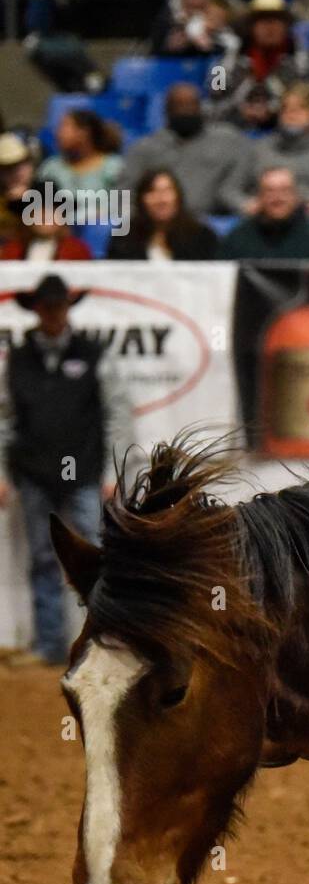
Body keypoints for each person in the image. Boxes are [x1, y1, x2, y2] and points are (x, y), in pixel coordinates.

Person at [0, 275, 136, 667]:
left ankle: (101, 641)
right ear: (37, 310)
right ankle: (50, 644)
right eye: (47, 307)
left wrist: (113, 470)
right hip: (34, 473)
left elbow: (116, 413)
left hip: (84, 471)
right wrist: (6, 475)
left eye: (59, 306)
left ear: (67, 308)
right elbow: (7, 420)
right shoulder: (19, 359)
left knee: (93, 556)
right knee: (43, 558)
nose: (53, 313)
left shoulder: (93, 353)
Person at [225, 82, 309, 217]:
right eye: (285, 108)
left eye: (301, 108)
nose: (291, 114)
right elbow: (228, 190)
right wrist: (246, 204)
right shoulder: (258, 148)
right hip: (264, 224)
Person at [206, 0, 309, 131]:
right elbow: (213, 105)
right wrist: (240, 109)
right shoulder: (222, 66)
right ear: (251, 26)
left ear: (286, 26)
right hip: (238, 135)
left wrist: (275, 109)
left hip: (290, 138)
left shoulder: (306, 64)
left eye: (276, 20)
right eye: (262, 20)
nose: (270, 27)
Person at [123, 83, 252, 216]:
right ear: (166, 112)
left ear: (200, 108)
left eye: (191, 105)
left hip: (211, 223)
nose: (185, 111)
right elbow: (123, 192)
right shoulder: (144, 148)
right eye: (178, 106)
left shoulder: (228, 141)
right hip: (157, 222)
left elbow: (234, 189)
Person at [219, 165, 309, 259]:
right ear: (259, 197)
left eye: (285, 190)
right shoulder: (237, 238)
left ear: (296, 196)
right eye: (270, 191)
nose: (278, 198)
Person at [107, 167, 219, 260]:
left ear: (178, 197)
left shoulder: (202, 237)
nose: (161, 199)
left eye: (167, 191)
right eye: (152, 191)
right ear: (141, 199)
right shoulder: (124, 237)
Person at [149, 0, 238, 58]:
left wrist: (212, 36)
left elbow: (234, 44)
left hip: (215, 68)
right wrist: (171, 46)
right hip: (175, 68)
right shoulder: (167, 16)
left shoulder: (220, 9)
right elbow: (156, 53)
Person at [36, 110, 125, 199]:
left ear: (84, 133)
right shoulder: (51, 168)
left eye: (64, 127)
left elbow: (121, 206)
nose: (57, 133)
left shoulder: (113, 168)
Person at [0, 200, 93, 260]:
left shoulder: (76, 250)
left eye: (52, 211)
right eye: (38, 211)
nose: (45, 216)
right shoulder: (11, 251)